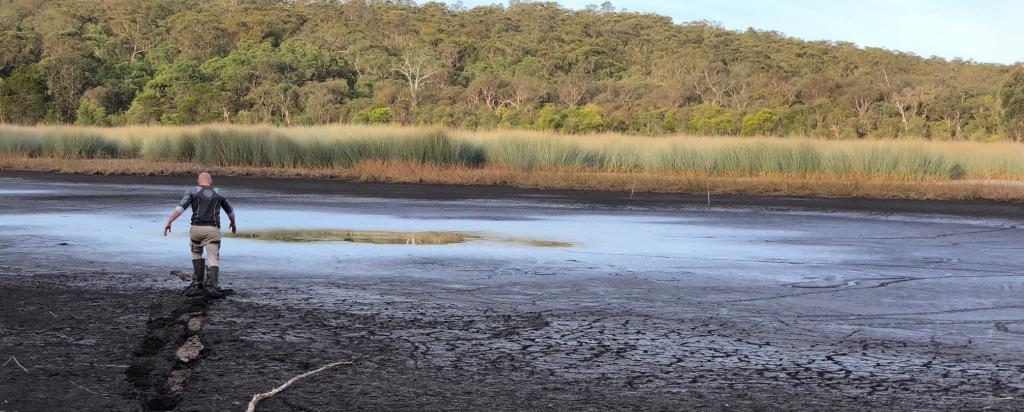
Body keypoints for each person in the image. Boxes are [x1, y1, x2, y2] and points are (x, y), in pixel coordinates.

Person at [163, 172, 237, 297]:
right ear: (211, 181)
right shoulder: (219, 193)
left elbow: (180, 208)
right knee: (213, 258)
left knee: (196, 253)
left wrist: (169, 222)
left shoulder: (192, 192)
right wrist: (233, 223)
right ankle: (212, 288)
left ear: (198, 181)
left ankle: (198, 283)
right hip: (212, 230)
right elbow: (230, 212)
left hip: (196, 229)